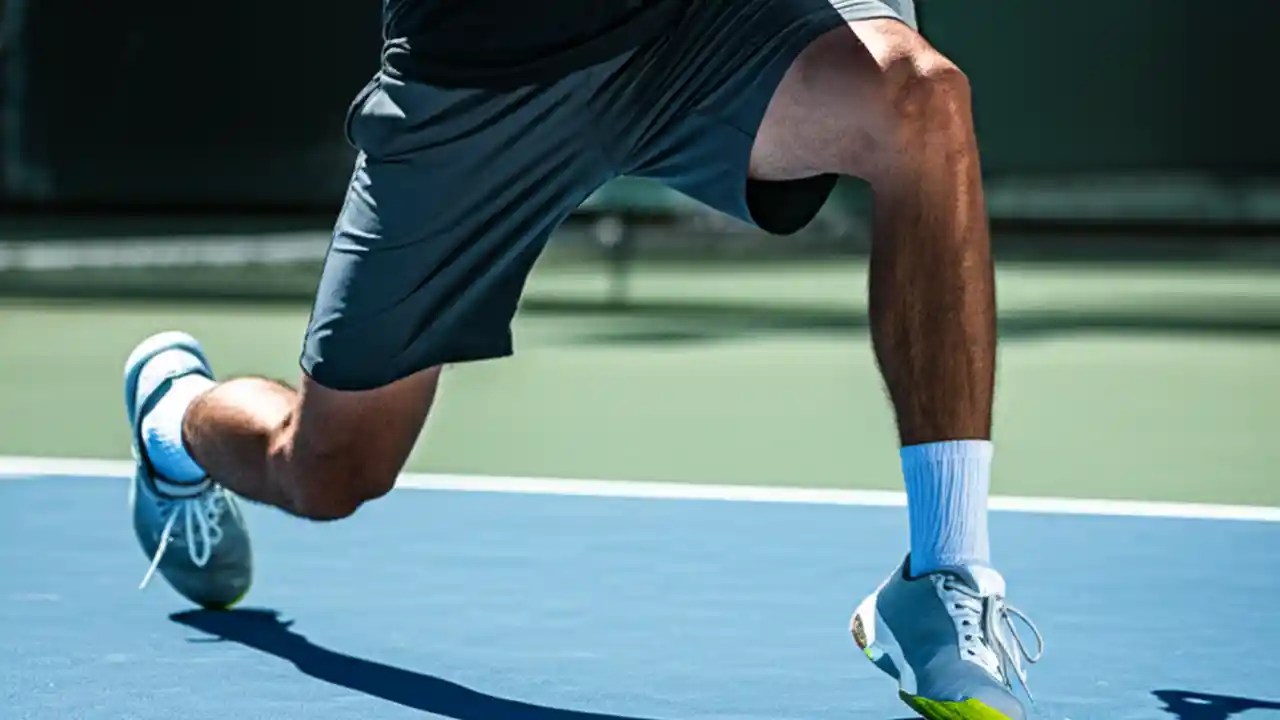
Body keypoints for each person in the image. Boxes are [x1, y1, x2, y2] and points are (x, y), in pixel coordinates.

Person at [123, 1, 1042, 717]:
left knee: (918, 98)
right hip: (488, 70)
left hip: (701, 27)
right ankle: (176, 418)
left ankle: (944, 577)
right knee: (328, 468)